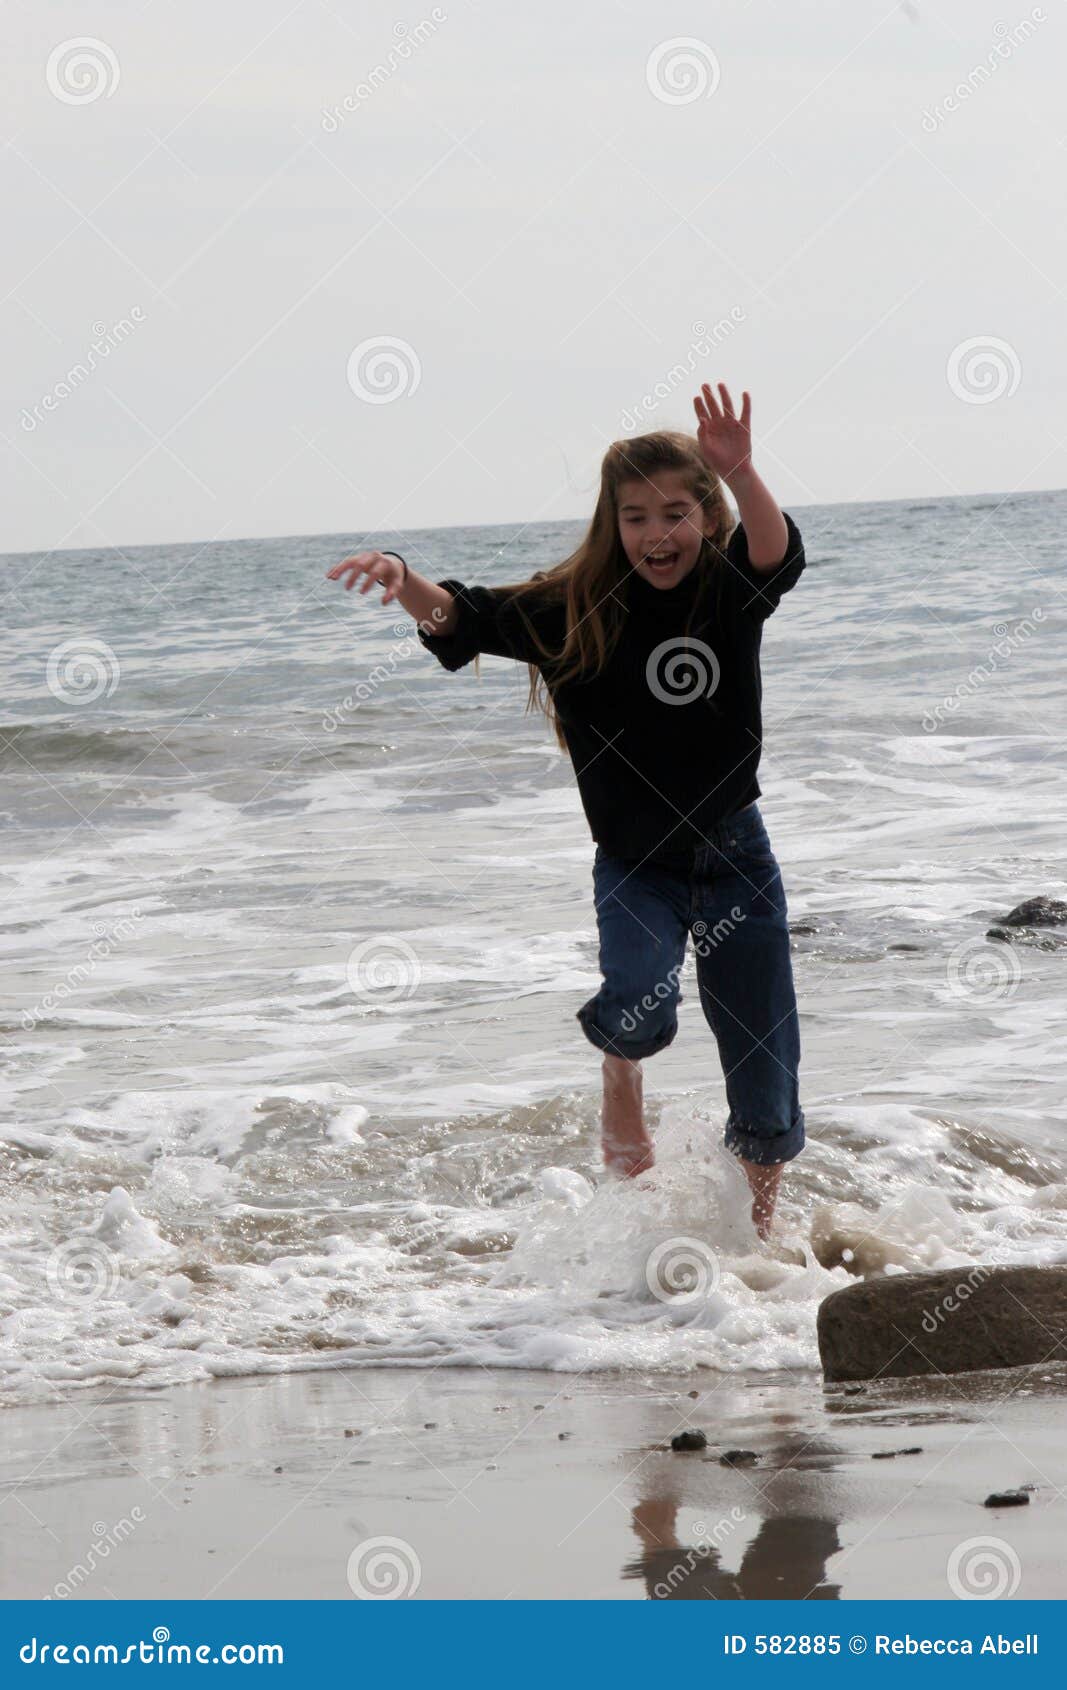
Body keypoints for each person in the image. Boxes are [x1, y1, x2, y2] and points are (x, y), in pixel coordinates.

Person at [327, 383, 806, 1238]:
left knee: (764, 1064)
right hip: (635, 864)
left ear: (706, 517)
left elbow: (772, 551)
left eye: (675, 514)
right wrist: (401, 576)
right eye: (634, 517)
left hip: (736, 857)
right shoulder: (572, 607)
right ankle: (621, 1072)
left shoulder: (725, 592)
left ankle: (760, 1240)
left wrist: (740, 471)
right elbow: (461, 619)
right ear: (610, 523)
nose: (656, 534)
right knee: (637, 998)